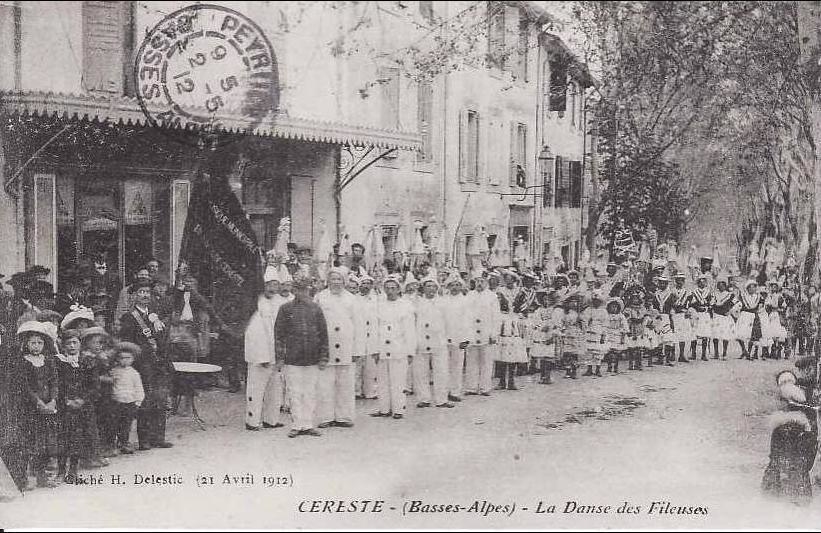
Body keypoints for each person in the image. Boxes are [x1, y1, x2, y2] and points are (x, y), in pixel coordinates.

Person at [118, 279, 174, 450]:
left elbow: (163, 339)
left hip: (158, 363)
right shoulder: (129, 317)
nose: (144, 295)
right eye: (141, 292)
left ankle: (158, 437)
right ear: (134, 296)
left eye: (147, 292)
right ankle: (144, 440)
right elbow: (127, 343)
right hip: (142, 365)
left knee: (161, 399)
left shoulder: (155, 315)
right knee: (145, 401)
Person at [275, 276, 328, 438]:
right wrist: (280, 357)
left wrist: (324, 357)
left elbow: (323, 334)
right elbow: (279, 335)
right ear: (293, 290)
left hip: (312, 357)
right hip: (293, 357)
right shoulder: (285, 309)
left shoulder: (316, 309)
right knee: (295, 392)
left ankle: (308, 424)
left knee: (310, 391)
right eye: (298, 289)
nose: (301, 292)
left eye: (304, 289)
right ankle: (297, 425)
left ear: (309, 290)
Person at [314, 268, 360, 428]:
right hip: (326, 347)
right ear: (328, 280)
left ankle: (344, 416)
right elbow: (316, 324)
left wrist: (357, 350)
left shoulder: (352, 299)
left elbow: (358, 326)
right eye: (333, 279)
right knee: (325, 384)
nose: (336, 282)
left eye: (339, 279)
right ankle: (325, 417)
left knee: (345, 384)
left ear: (344, 281)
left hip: (346, 346)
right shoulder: (320, 297)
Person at [17, 321, 59, 489]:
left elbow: (55, 381)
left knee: (45, 442)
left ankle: (43, 477)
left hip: (48, 406)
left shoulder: (48, 361)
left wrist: (53, 399)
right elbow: (25, 386)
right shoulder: (23, 362)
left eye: (40, 342)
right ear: (26, 344)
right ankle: (23, 479)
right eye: (33, 342)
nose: (36, 346)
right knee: (30, 442)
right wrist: (38, 402)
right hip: (31, 408)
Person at [244, 267, 287, 431]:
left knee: (275, 389)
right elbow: (253, 332)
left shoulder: (281, 303)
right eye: (269, 284)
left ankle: (271, 419)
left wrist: (283, 353)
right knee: (256, 388)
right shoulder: (256, 303)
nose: (272, 288)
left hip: (277, 352)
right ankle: (252, 420)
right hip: (260, 353)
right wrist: (261, 356)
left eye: (275, 284)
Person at [371, 274, 416, 419]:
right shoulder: (379, 304)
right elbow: (373, 328)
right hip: (382, 347)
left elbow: (410, 330)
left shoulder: (406, 305)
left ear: (398, 289)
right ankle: (384, 409)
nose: (390, 291)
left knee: (398, 380)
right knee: (382, 380)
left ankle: (398, 409)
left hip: (399, 348)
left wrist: (410, 351)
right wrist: (374, 349)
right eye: (387, 288)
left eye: (393, 288)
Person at [55, 329, 95, 484]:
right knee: (63, 438)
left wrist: (83, 400)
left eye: (75, 342)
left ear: (80, 344)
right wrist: (65, 400)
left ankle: (73, 470)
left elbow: (94, 386)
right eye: (68, 343)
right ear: (63, 345)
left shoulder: (88, 362)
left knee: (77, 438)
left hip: (82, 407)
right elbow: (56, 384)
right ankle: (60, 470)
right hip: (64, 407)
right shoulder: (58, 362)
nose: (72, 346)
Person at [413, 276, 452, 408]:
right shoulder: (417, 302)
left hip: (439, 341)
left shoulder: (443, 303)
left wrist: (448, 337)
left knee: (441, 371)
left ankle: (442, 399)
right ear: (423, 288)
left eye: (433, 286)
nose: (430, 289)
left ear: (437, 288)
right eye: (427, 286)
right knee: (420, 372)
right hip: (421, 340)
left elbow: (448, 322)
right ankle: (424, 398)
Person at [79, 326, 113, 463]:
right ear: (86, 344)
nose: (98, 346)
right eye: (94, 343)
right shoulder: (87, 358)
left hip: (102, 393)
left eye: (100, 343)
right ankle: (90, 456)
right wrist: (103, 378)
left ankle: (98, 452)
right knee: (90, 425)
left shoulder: (101, 357)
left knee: (101, 423)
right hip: (91, 393)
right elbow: (89, 378)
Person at [464, 270, 501, 396]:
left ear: (486, 282)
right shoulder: (469, 295)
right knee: (471, 361)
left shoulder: (492, 296)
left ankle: (485, 387)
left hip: (486, 332)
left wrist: (494, 334)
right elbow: (465, 316)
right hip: (472, 333)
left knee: (486, 361)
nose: (480, 284)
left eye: (482, 281)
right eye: (477, 281)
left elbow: (496, 317)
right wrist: (466, 334)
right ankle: (471, 387)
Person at [109, 342, 144, 455]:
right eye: (121, 358)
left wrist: (138, 402)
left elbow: (138, 388)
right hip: (116, 401)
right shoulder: (113, 371)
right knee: (114, 424)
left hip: (130, 402)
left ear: (132, 359)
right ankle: (112, 445)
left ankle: (124, 443)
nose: (124, 360)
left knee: (126, 424)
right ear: (117, 359)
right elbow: (111, 386)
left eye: (128, 358)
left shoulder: (134, 373)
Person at [440, 272, 469, 403]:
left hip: (459, 337)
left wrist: (466, 338)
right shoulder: (443, 300)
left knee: (457, 366)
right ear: (448, 286)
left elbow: (468, 320)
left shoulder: (465, 300)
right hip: (444, 337)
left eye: (458, 285)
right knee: (443, 365)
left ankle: (455, 391)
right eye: (452, 285)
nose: (455, 287)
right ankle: (443, 391)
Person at [355, 274, 379, 400]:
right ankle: (356, 391)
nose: (365, 286)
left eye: (368, 284)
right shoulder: (354, 299)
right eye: (363, 283)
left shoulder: (377, 299)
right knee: (357, 365)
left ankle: (371, 391)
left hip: (372, 334)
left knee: (371, 365)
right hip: (358, 334)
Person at [670, 272, 693, 363]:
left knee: (683, 335)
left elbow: (690, 303)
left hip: (683, 315)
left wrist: (688, 311)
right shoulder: (672, 291)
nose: (680, 282)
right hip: (674, 314)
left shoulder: (687, 292)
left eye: (682, 280)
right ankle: (672, 354)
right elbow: (670, 304)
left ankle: (681, 355)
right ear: (675, 281)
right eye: (678, 280)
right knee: (673, 334)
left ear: (684, 281)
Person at [710, 279, 735, 360]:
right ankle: (716, 353)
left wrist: (730, 311)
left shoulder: (730, 295)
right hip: (717, 316)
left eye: (723, 285)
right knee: (715, 335)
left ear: (725, 286)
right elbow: (712, 304)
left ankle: (724, 353)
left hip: (725, 317)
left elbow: (735, 303)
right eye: (719, 285)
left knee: (725, 335)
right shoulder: (715, 294)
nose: (721, 287)